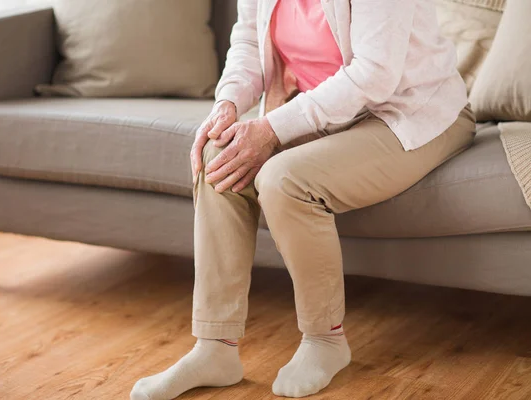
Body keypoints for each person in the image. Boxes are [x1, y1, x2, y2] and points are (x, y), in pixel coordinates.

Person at [131, 0, 475, 398]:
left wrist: (273, 129)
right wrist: (227, 105)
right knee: (218, 159)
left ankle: (325, 341)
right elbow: (247, 40)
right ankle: (215, 347)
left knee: (285, 179)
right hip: (327, 110)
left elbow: (374, 74)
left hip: (408, 112)